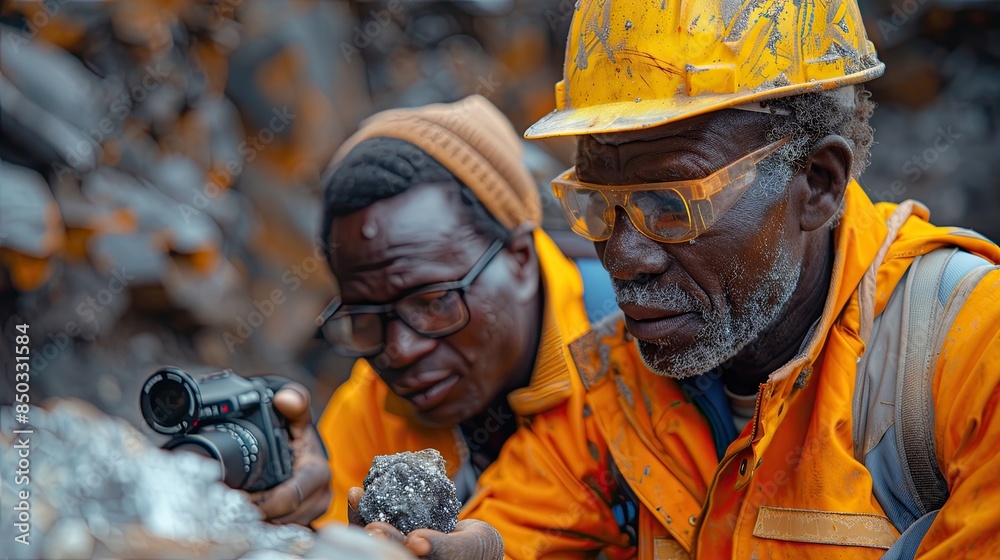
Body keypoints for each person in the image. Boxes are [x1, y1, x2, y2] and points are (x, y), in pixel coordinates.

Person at [398, 0, 1000, 558]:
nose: (624, 256)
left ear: (818, 182)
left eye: (672, 204)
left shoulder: (971, 353)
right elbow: (517, 523)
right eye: (597, 205)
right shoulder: (620, 388)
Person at [311, 95, 604, 550]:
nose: (399, 350)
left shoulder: (635, 366)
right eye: (367, 316)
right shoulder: (371, 410)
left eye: (433, 302)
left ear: (520, 258)